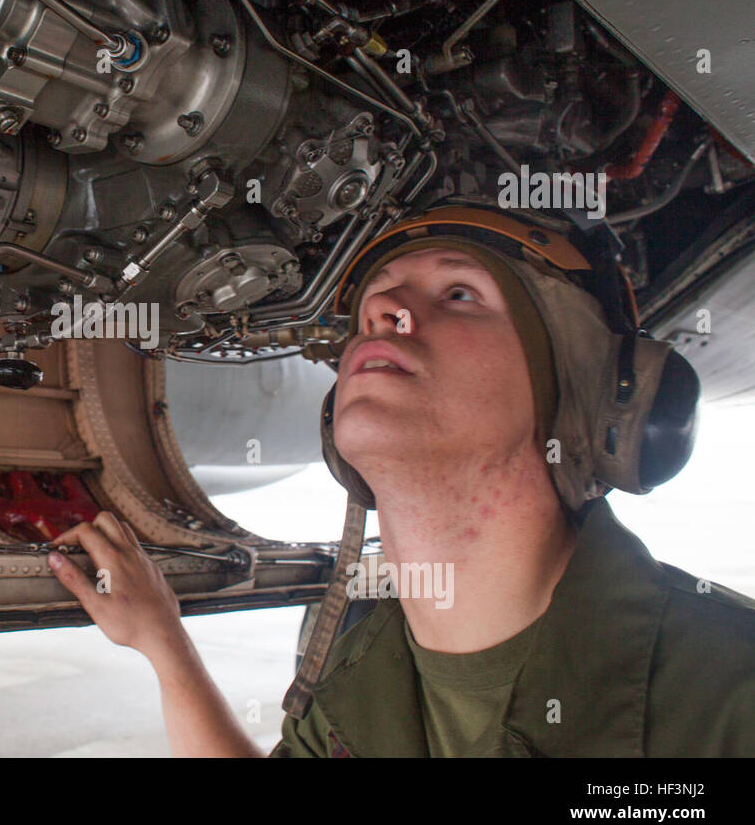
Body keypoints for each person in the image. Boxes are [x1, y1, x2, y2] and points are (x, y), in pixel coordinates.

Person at [45, 204, 755, 757]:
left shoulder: (726, 695)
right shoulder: (360, 673)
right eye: (376, 304)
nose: (385, 313)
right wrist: (163, 645)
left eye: (459, 292)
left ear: (591, 402)